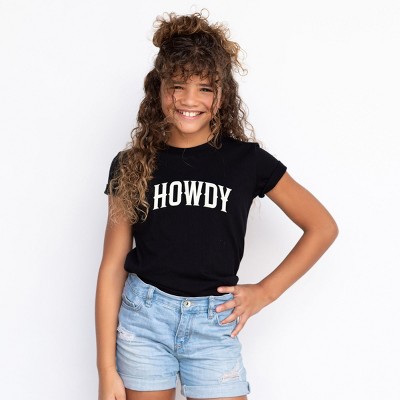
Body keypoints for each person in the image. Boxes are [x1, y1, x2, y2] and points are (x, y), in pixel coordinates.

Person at [95, 10, 338, 400]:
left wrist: (265, 292)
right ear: (159, 89)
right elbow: (112, 267)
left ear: (222, 95)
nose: (189, 99)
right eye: (177, 85)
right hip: (144, 321)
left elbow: (322, 227)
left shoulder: (247, 162)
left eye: (205, 88)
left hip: (214, 324)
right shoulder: (131, 164)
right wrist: (106, 370)